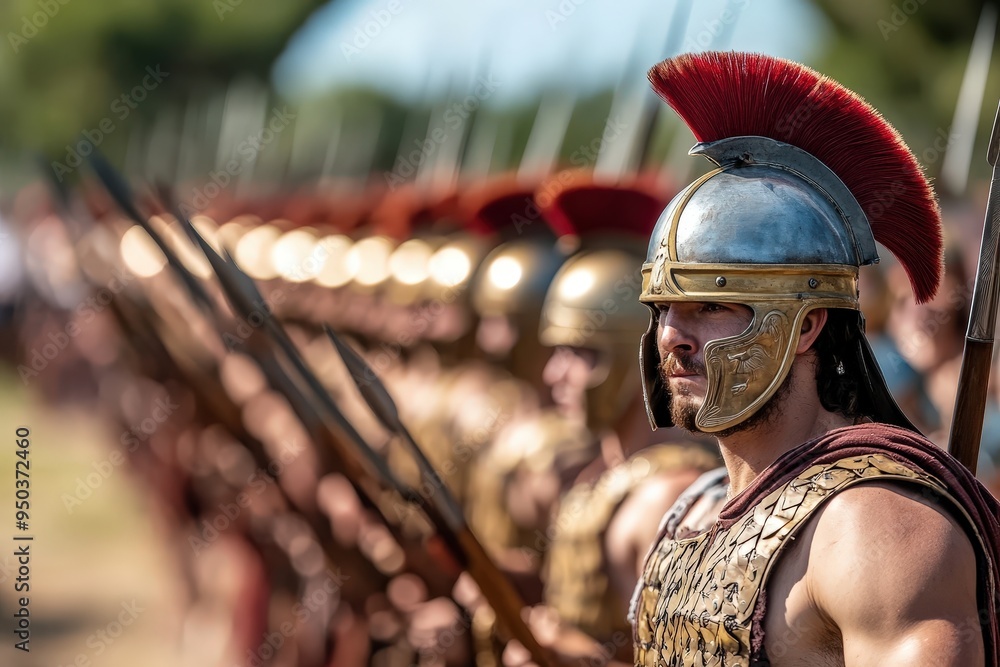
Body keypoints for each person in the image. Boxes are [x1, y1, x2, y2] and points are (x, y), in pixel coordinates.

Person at [628, 51, 1000, 666]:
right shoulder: (696, 507)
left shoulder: (874, 525)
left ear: (807, 327)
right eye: (663, 308)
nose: (673, 335)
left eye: (713, 307)